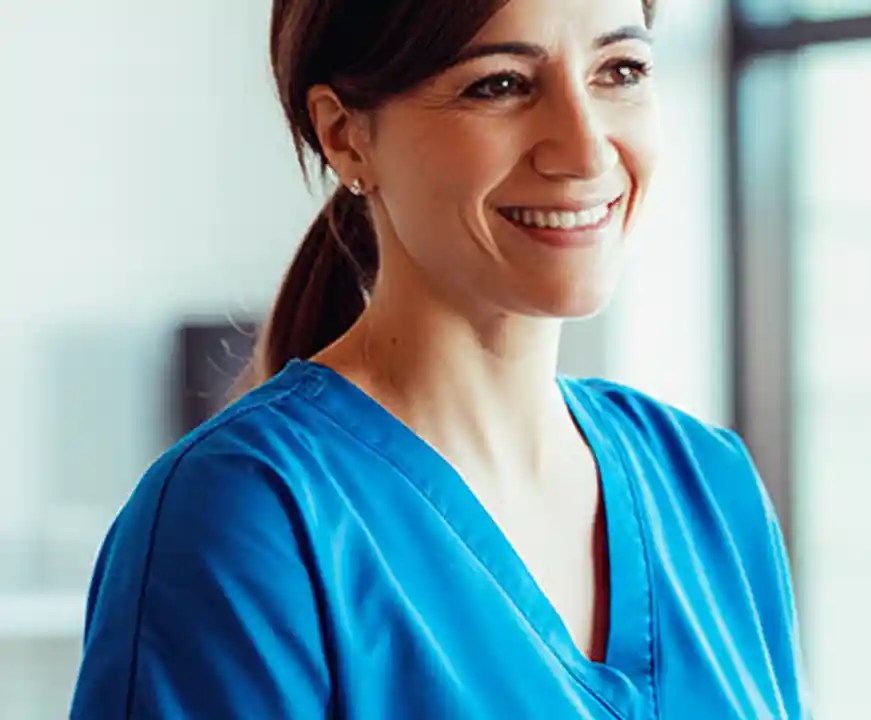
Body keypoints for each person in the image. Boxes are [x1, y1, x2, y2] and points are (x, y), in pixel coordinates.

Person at [70, 0, 807, 716]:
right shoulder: (244, 519)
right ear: (345, 136)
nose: (584, 150)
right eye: (501, 85)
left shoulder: (709, 487)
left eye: (620, 71)